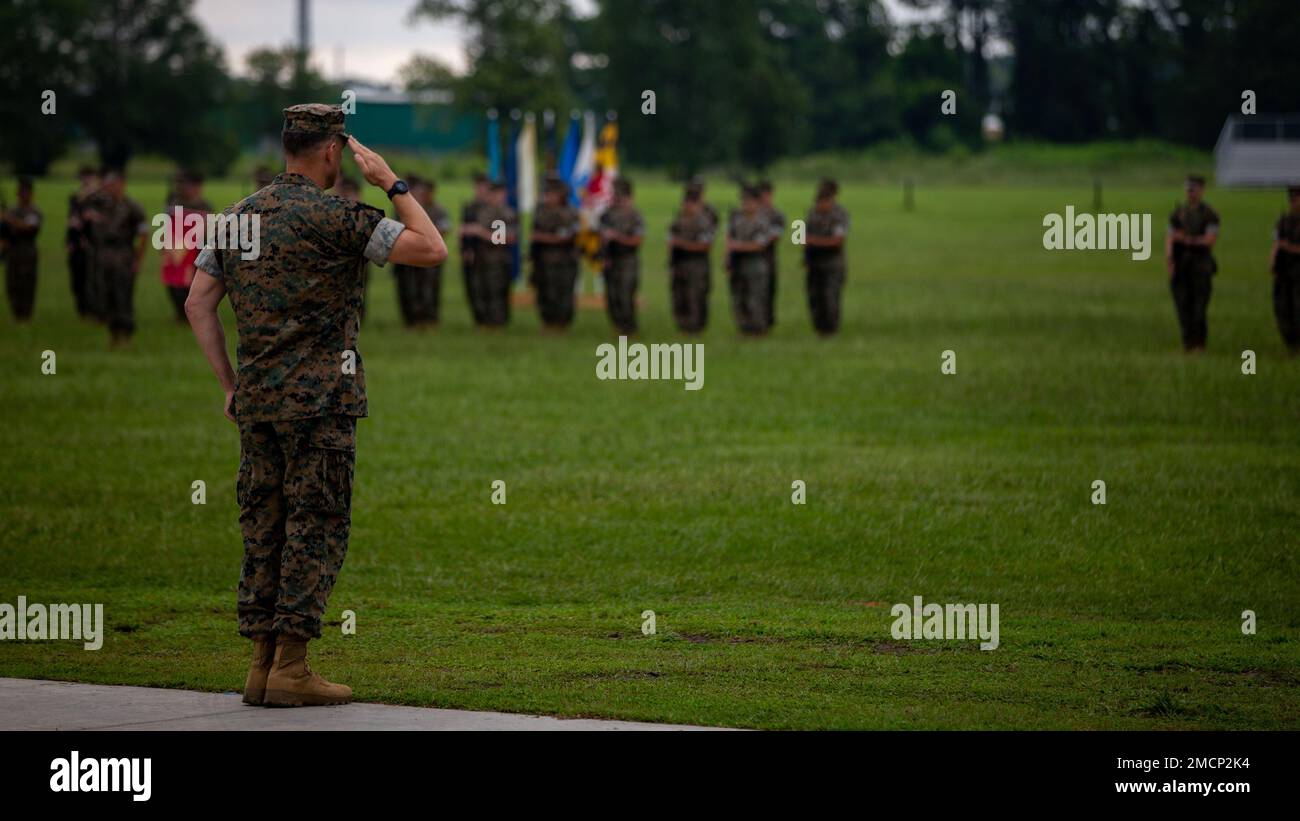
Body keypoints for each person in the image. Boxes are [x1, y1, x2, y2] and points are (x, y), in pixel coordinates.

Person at [184, 103, 446, 707]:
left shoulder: (235, 218)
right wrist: (392, 183)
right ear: (332, 151)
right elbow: (431, 249)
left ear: (286, 146)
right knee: (315, 523)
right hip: (322, 401)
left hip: (257, 403)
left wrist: (230, 384)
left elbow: (199, 304)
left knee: (265, 523)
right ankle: (292, 667)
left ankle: (260, 664)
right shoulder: (340, 217)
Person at [84, 168, 148, 347]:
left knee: (123, 296)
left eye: (112, 183)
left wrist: (138, 259)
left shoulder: (132, 207)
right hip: (104, 256)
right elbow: (82, 203)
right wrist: (94, 188)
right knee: (107, 295)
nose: (109, 187)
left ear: (121, 184)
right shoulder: (102, 205)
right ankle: (113, 334)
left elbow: (143, 234)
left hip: (123, 256)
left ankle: (125, 334)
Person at [1165, 174, 1220, 352]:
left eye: (1194, 189)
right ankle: (1188, 344)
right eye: (1188, 189)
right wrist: (1170, 260)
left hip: (1200, 267)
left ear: (1202, 190)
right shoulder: (1178, 213)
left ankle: (1199, 345)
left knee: (1199, 309)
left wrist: (1188, 240)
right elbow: (1170, 238)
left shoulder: (1209, 214)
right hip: (1181, 266)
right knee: (1183, 308)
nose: (1190, 193)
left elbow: (1210, 240)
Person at [392, 175, 451, 328]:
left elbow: (445, 228)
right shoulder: (406, 211)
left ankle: (429, 319)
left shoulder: (437, 210)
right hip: (410, 256)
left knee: (429, 289)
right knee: (409, 288)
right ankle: (412, 319)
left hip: (430, 255)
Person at [530, 175, 581, 330]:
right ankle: (548, 322)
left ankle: (561, 323)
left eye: (552, 193)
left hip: (564, 261)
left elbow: (567, 237)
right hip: (543, 260)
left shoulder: (570, 213)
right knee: (544, 292)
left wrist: (543, 237)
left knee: (562, 293)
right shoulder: (541, 211)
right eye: (547, 193)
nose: (548, 197)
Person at [160, 170, 211, 323]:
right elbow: (167, 224)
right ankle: (179, 313)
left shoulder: (204, 206)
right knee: (173, 283)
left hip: (196, 251)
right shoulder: (174, 203)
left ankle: (188, 314)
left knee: (192, 284)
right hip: (176, 250)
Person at [464, 180, 517, 327]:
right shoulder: (481, 212)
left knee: (497, 292)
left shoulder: (507, 213)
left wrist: (480, 232)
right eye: (492, 193)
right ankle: (483, 321)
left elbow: (507, 238)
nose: (494, 197)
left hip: (498, 259)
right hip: (481, 258)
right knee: (480, 290)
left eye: (497, 193)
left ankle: (497, 323)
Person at [803, 178, 849, 336]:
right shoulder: (811, 213)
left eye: (823, 202)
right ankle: (819, 328)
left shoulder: (840, 214)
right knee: (815, 297)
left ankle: (831, 329)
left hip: (832, 262)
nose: (820, 206)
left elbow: (838, 241)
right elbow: (799, 237)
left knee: (830, 296)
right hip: (813, 261)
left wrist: (813, 241)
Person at [598, 178, 644, 334]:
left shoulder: (635, 216)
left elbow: (637, 241)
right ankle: (618, 326)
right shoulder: (607, 215)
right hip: (611, 260)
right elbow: (601, 238)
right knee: (612, 295)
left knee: (625, 294)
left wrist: (616, 237)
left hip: (627, 260)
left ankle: (629, 328)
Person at [726, 184, 774, 336]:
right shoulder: (736, 220)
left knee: (756, 297)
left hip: (755, 263)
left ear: (757, 203)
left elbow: (759, 245)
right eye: (743, 202)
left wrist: (737, 246)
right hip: (737, 263)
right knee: (739, 297)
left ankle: (758, 329)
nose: (745, 205)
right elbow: (728, 239)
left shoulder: (763, 222)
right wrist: (728, 256)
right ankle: (744, 328)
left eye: (749, 202)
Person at [668, 181, 715, 333]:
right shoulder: (678, 221)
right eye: (685, 203)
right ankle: (683, 326)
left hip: (697, 263)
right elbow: (670, 242)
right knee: (679, 295)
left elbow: (705, 245)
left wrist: (681, 243)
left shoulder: (703, 221)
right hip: (679, 263)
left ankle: (696, 328)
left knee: (696, 295)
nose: (687, 207)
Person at [2, 177, 42, 321]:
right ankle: (16, 314)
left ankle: (26, 315)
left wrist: (8, 219)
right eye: (20, 191)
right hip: (12, 252)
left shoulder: (34, 211)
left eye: (25, 192)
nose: (22, 195)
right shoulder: (11, 209)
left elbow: (29, 227)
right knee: (12, 284)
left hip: (27, 252)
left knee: (27, 285)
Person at [1269, 185, 1300, 354]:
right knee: (1282, 309)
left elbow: (1283, 244)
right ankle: (1292, 346)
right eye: (1291, 199)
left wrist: (1290, 247)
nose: (1293, 202)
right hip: (1284, 272)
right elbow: (1277, 242)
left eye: (1296, 198)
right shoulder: (1284, 220)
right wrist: (1273, 260)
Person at [66, 166, 99, 319]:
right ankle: (83, 311)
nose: (86, 181)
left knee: (93, 280)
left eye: (89, 177)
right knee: (78, 280)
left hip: (94, 246)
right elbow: (72, 222)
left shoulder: (100, 199)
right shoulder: (75, 199)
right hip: (77, 246)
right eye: (83, 178)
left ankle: (94, 311)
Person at [459, 172, 491, 325]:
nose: (480, 190)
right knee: (473, 289)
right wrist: (465, 250)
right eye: (477, 187)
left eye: (483, 187)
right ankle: (480, 320)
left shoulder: (495, 209)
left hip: (491, 257)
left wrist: (479, 231)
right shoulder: (469, 208)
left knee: (491, 290)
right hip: (473, 255)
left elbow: (501, 238)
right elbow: (464, 233)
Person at [758, 180, 784, 327]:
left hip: (768, 257)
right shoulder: (752, 213)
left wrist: (755, 241)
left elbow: (774, 236)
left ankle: (767, 321)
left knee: (769, 289)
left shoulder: (776, 215)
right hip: (751, 256)